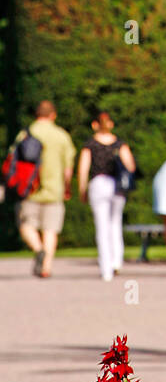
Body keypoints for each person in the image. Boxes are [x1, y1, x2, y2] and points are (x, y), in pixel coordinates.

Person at [14, 100, 75, 278]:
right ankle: (46, 267)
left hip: (29, 189)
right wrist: (67, 186)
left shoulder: (25, 134)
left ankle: (38, 248)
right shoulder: (61, 136)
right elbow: (68, 167)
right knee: (50, 230)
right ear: (53, 115)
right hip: (54, 189)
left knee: (26, 225)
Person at [77, 110, 137, 282]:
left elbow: (83, 169)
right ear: (111, 124)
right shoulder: (119, 144)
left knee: (101, 227)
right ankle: (117, 261)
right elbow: (131, 166)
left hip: (98, 184)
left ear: (95, 124)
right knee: (115, 223)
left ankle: (106, 270)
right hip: (116, 185)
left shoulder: (90, 144)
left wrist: (82, 190)